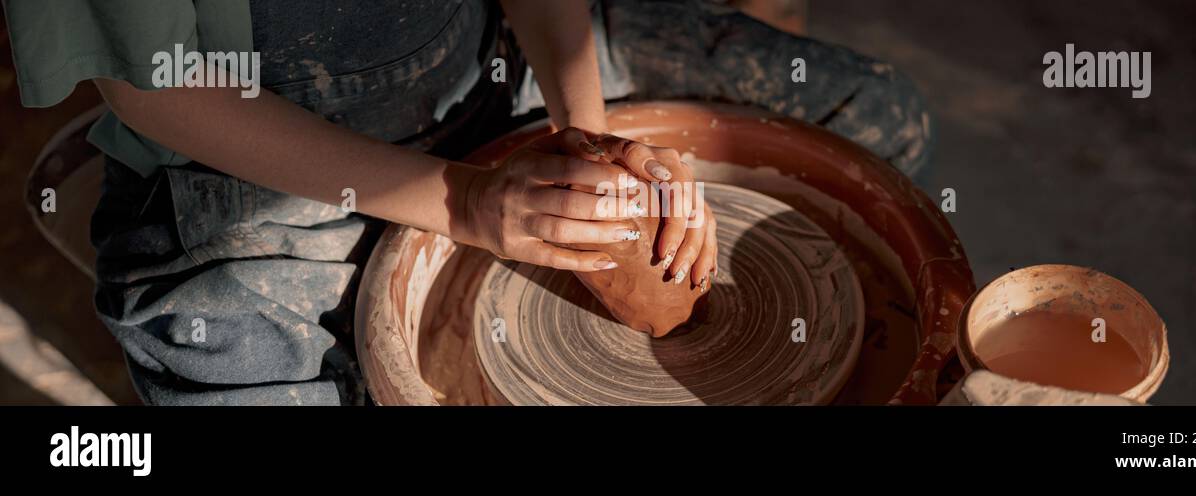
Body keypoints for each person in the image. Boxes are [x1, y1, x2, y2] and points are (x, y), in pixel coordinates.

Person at [5, 0, 930, 405]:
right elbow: (157, 87)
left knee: (874, 118)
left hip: (496, 69)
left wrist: (584, 135)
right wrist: (472, 205)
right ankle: (95, 177)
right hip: (255, 157)